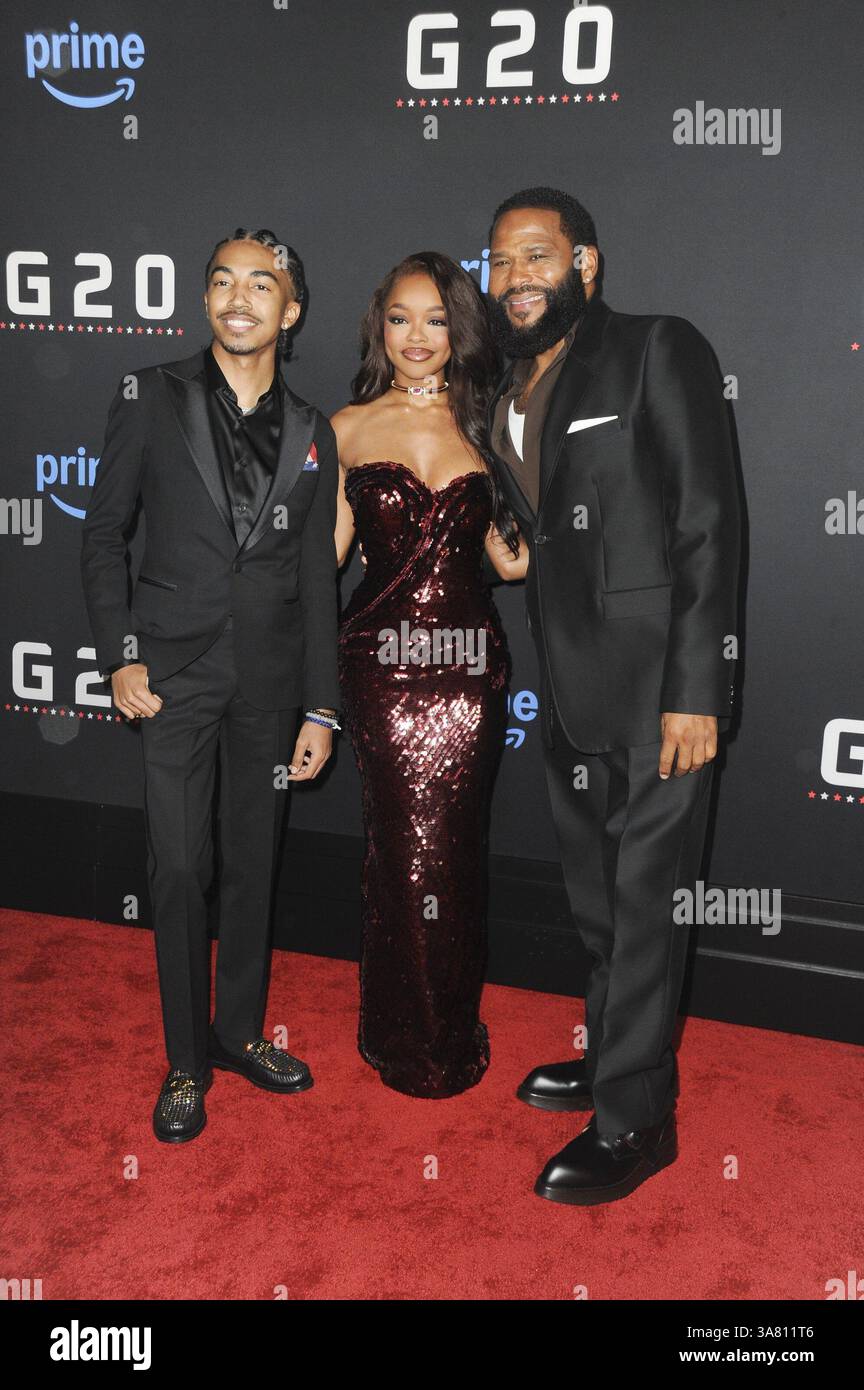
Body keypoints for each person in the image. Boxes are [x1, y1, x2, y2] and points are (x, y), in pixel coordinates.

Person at [484, 187, 741, 1203]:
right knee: (599, 903)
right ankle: (609, 1057)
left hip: (658, 693)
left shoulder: (654, 348)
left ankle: (637, 1122)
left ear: (585, 265)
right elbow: (553, 522)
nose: (516, 277)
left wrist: (698, 689)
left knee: (645, 909)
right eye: (501, 260)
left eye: (537, 256)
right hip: (570, 691)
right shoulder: (505, 386)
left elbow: (707, 522)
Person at [81, 229, 341, 1143]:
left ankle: (238, 1033)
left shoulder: (314, 430)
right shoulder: (150, 395)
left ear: (290, 310)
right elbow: (103, 534)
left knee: (253, 866)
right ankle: (187, 1062)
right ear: (204, 301)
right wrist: (120, 655)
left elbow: (316, 579)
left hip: (269, 683)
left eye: (261, 285)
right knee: (182, 868)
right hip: (172, 677)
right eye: (223, 281)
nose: (239, 297)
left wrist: (322, 705)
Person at [331, 252, 527, 1097]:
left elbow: (510, 564)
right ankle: (399, 1032)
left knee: (453, 851)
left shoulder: (489, 423)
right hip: (381, 670)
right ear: (380, 325)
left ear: (460, 330)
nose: (417, 335)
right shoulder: (346, 427)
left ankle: (446, 1032)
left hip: (467, 673)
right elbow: (322, 562)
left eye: (437, 319)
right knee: (399, 851)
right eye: (401, 317)